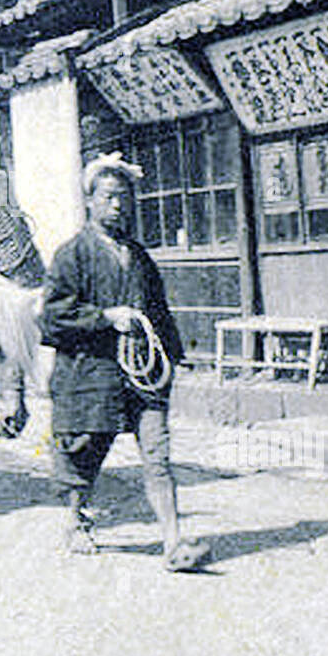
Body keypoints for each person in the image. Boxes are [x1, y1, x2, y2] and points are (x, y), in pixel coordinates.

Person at [39, 153, 209, 572]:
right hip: (90, 373)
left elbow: (159, 310)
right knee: (84, 452)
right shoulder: (71, 255)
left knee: (158, 455)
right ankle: (76, 521)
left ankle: (173, 543)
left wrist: (172, 357)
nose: (118, 205)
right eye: (110, 197)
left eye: (124, 197)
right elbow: (52, 315)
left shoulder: (138, 255)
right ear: (91, 202)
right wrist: (104, 318)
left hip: (142, 375)